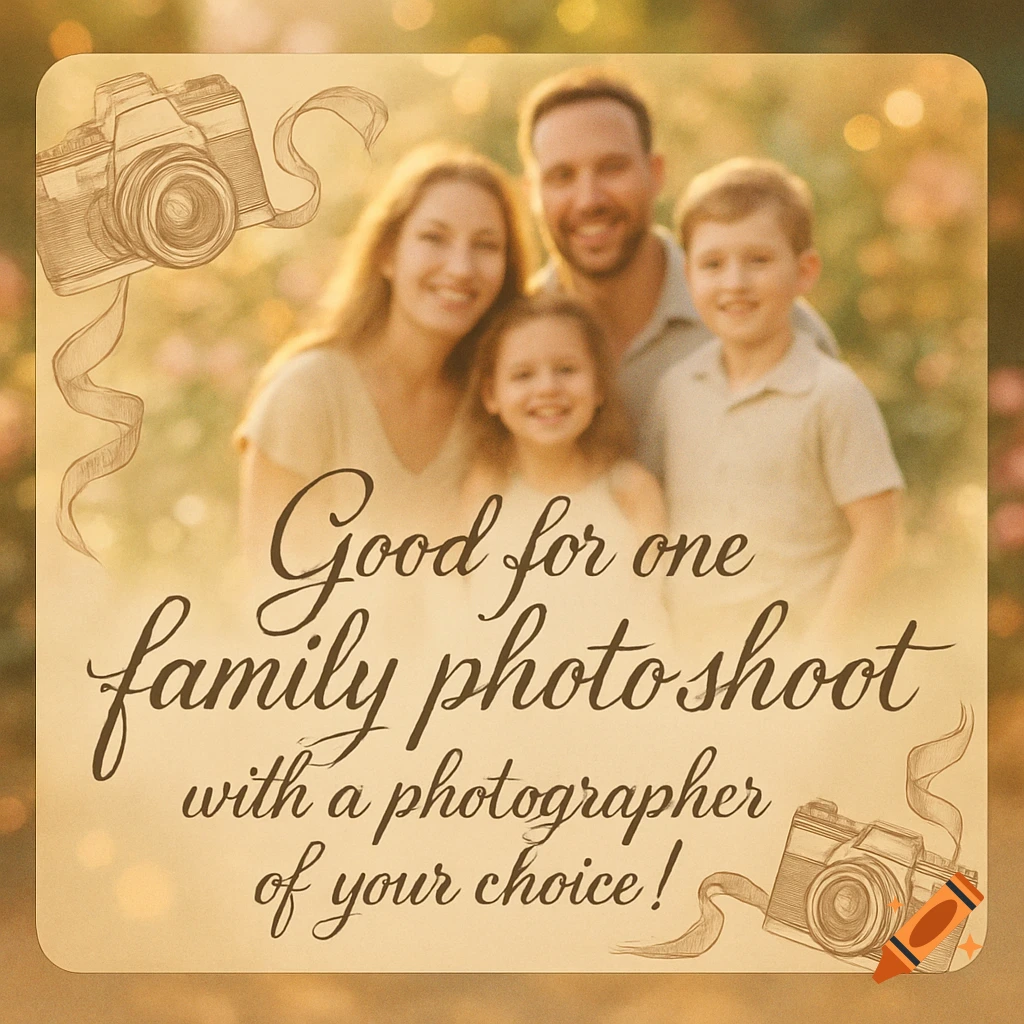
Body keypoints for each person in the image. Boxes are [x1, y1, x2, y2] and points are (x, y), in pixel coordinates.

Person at [517, 67, 838, 475]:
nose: (588, 199)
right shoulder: (508, 339)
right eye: (562, 176)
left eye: (612, 167)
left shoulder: (781, 328)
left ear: (655, 174)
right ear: (532, 193)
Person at [235, 144, 529, 574]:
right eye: (434, 238)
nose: (461, 268)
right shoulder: (308, 393)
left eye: (486, 245)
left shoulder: (499, 401)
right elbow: (270, 588)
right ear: (387, 253)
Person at [656, 157, 903, 638]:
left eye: (758, 260)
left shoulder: (831, 393)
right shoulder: (677, 388)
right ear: (688, 276)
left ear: (804, 271)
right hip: (693, 657)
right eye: (713, 264)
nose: (734, 282)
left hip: (795, 656)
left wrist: (823, 645)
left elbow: (880, 531)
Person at [461, 294, 669, 632]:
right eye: (523, 375)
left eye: (566, 370)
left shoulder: (630, 490)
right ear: (491, 395)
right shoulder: (485, 489)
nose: (547, 388)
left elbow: (654, 613)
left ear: (599, 386)